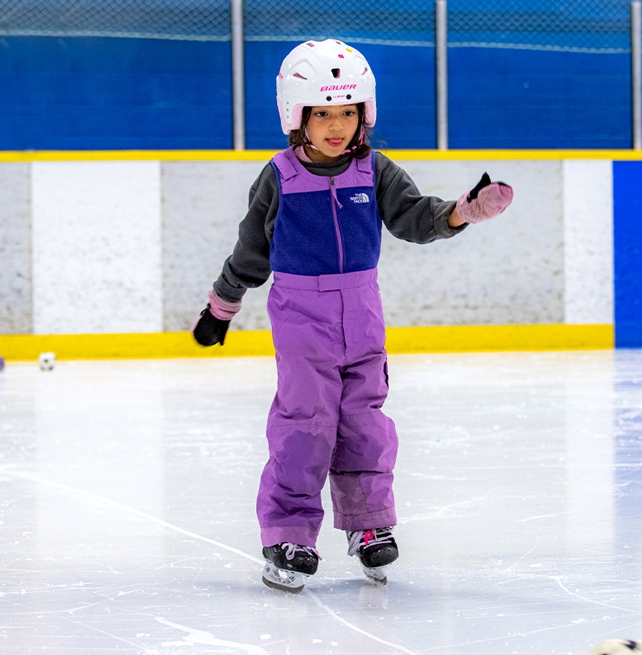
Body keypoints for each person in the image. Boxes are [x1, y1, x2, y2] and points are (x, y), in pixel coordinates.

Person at [193, 38, 513, 593]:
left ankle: (368, 526)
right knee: (305, 424)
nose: (336, 125)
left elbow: (414, 218)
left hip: (362, 310)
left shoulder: (375, 170)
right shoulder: (280, 178)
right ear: (298, 116)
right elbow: (251, 251)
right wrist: (221, 305)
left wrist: (461, 212)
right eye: (323, 114)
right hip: (301, 314)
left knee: (365, 420)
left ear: (363, 113)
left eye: (347, 112)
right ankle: (289, 534)